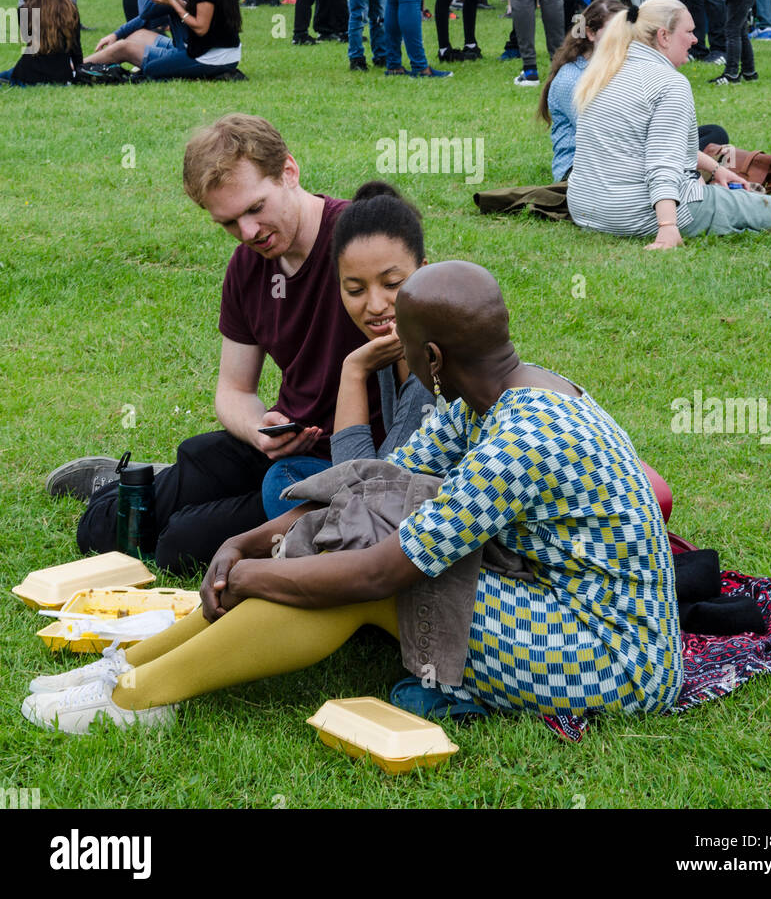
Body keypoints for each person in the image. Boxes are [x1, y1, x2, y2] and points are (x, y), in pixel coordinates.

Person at [25, 259, 684, 735]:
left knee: (360, 582)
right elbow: (371, 490)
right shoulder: (493, 394)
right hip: (557, 602)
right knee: (348, 535)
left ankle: (142, 698)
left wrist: (259, 573)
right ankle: (126, 668)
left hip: (613, 659)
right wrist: (249, 539)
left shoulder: (524, 437)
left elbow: (383, 570)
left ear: (428, 356)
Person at [50, 115, 387, 571]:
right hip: (280, 446)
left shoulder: (361, 238)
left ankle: (158, 483)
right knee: (101, 527)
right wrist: (259, 431)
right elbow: (234, 389)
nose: (248, 234)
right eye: (229, 223)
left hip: (349, 467)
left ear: (289, 171)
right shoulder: (247, 268)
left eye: (254, 209)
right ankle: (123, 481)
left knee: (177, 545)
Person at [567, 0, 771, 246]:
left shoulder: (604, 71)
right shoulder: (669, 83)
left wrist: (718, 169)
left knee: (723, 184)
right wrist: (668, 228)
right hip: (632, 214)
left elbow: (642, 145)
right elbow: (662, 161)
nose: (696, 40)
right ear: (663, 36)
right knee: (759, 207)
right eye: (689, 32)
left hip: (587, 210)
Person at [260, 181, 433, 517]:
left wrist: (353, 372)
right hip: (395, 502)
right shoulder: (390, 344)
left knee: (289, 486)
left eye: (392, 284)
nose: (376, 305)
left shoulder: (431, 357)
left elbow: (371, 491)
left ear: (424, 271)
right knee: (284, 477)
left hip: (435, 521)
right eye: (355, 290)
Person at [538, 0, 625, 181]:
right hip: (578, 172)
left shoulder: (619, 67)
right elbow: (603, 137)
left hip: (616, 159)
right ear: (590, 34)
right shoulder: (571, 79)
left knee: (700, 136)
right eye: (613, 32)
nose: (622, 39)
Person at [0, 0, 82, 87]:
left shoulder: (24, 10)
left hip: (29, 73)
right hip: (61, 73)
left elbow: (29, 41)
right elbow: (76, 48)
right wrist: (78, 73)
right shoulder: (71, 9)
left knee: (5, 75)